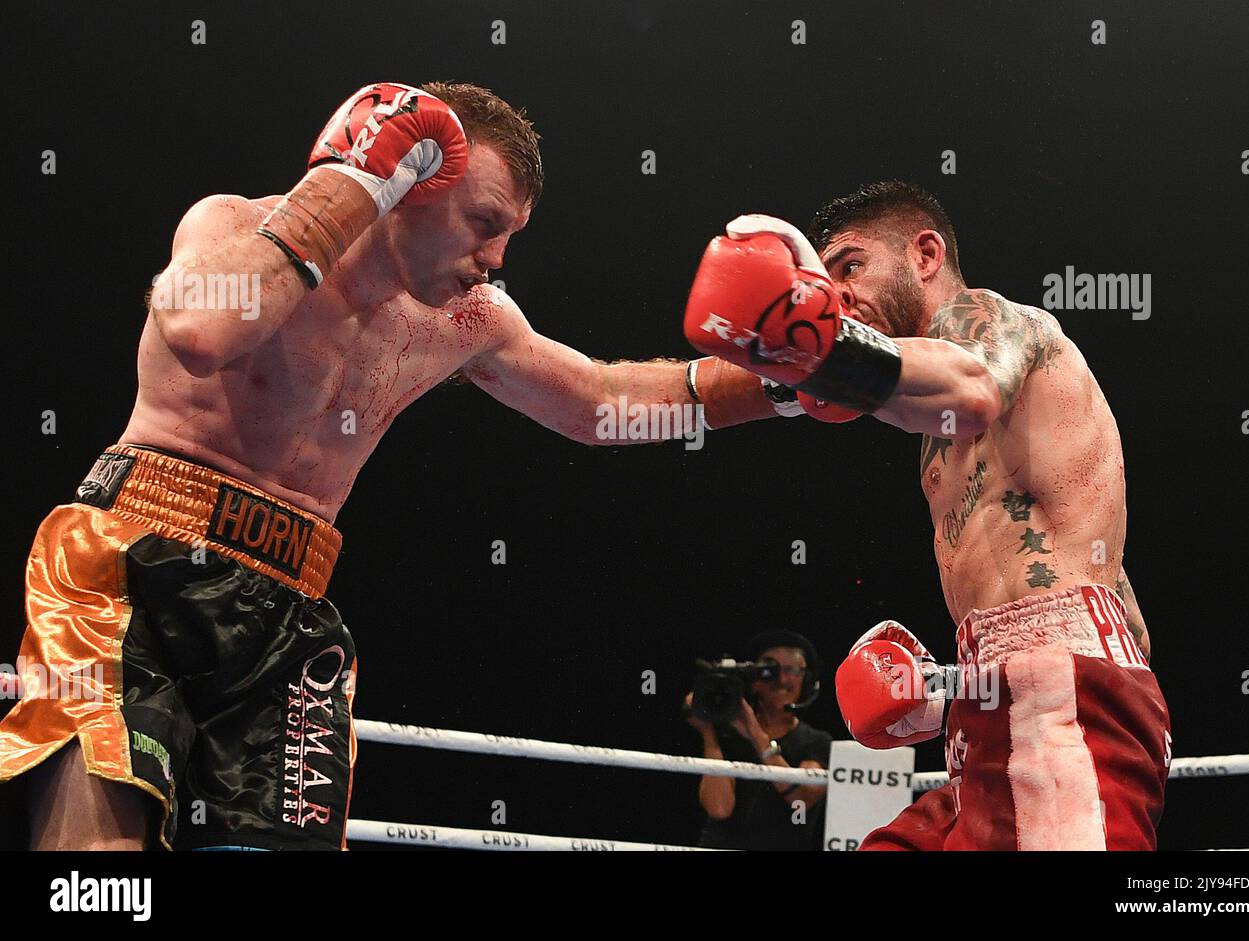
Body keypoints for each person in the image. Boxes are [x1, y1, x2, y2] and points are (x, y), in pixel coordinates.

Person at [0, 81, 794, 851]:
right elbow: (200, 330)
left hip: (288, 610)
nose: (494, 257)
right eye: (484, 221)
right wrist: (348, 184)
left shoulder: (466, 318)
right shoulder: (239, 223)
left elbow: (600, 401)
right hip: (135, 559)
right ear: (407, 180)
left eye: (511, 232)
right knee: (98, 854)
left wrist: (782, 384)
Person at [683, 182, 1171, 850]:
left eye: (849, 266)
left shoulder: (995, 322)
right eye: (821, 284)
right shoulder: (940, 437)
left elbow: (972, 383)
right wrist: (945, 691)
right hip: (996, 723)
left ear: (926, 253)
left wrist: (815, 343)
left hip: (1064, 717)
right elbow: (1121, 619)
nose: (836, 295)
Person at [686, 631, 830, 850]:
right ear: (754, 680)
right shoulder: (727, 735)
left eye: (791, 670)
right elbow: (719, 808)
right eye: (769, 671)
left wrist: (756, 736)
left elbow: (802, 799)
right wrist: (708, 733)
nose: (781, 679)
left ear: (806, 680)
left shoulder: (817, 742)